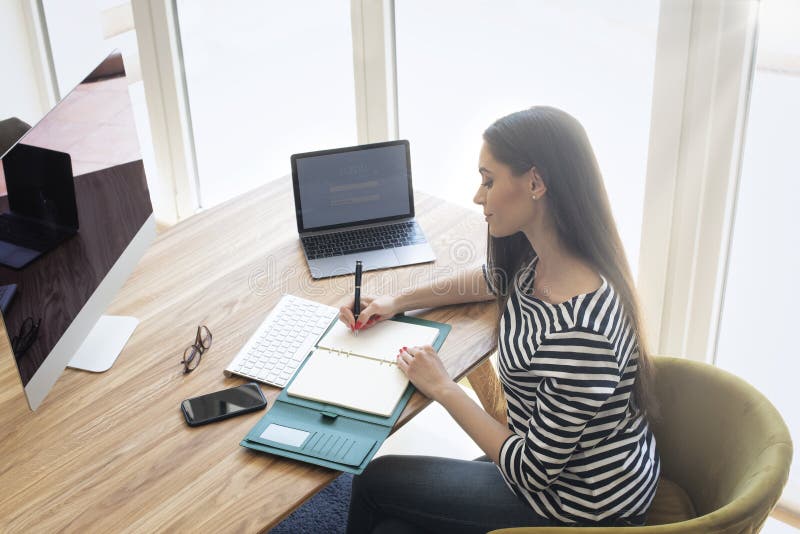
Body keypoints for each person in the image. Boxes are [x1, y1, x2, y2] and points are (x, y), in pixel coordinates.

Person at [339, 106, 661, 533]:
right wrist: (395, 301)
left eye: (488, 180)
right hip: (552, 465)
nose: (478, 196)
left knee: (373, 482)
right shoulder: (546, 258)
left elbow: (532, 473)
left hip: (577, 505)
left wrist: (443, 387)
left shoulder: (584, 334)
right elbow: (492, 279)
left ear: (535, 183)